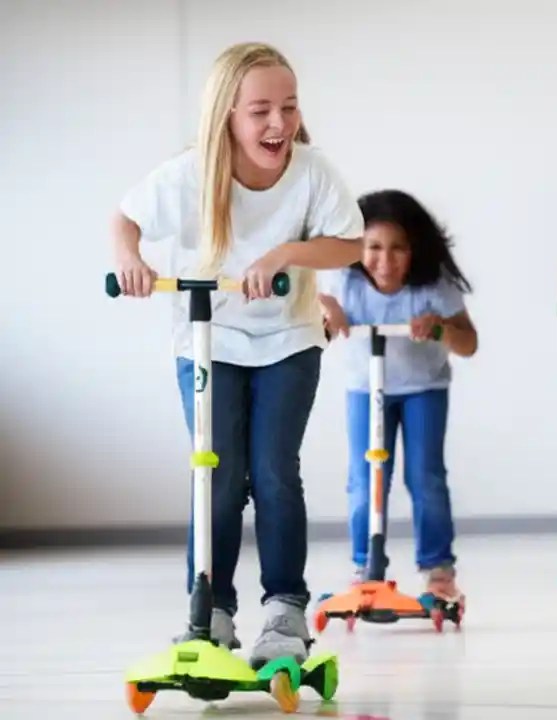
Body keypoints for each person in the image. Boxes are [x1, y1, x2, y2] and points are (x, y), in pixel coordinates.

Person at [109, 42, 365, 667]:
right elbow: (125, 218)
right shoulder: (192, 173)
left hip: (287, 337)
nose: (278, 123)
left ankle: (284, 608)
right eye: (259, 111)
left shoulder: (312, 171)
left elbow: (350, 244)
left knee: (274, 472)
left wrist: (285, 255)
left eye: (288, 107)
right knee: (217, 475)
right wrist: (130, 260)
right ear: (226, 114)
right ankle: (212, 609)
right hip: (210, 339)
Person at [318, 189, 478, 605]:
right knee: (365, 479)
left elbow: (469, 343)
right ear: (358, 247)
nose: (384, 262)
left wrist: (440, 328)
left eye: (397, 249)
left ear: (415, 250)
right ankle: (364, 567)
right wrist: (324, 308)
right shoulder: (343, 280)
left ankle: (438, 569)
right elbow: (310, 298)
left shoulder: (432, 286)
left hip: (423, 388)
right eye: (373, 247)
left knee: (426, 477)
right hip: (364, 389)